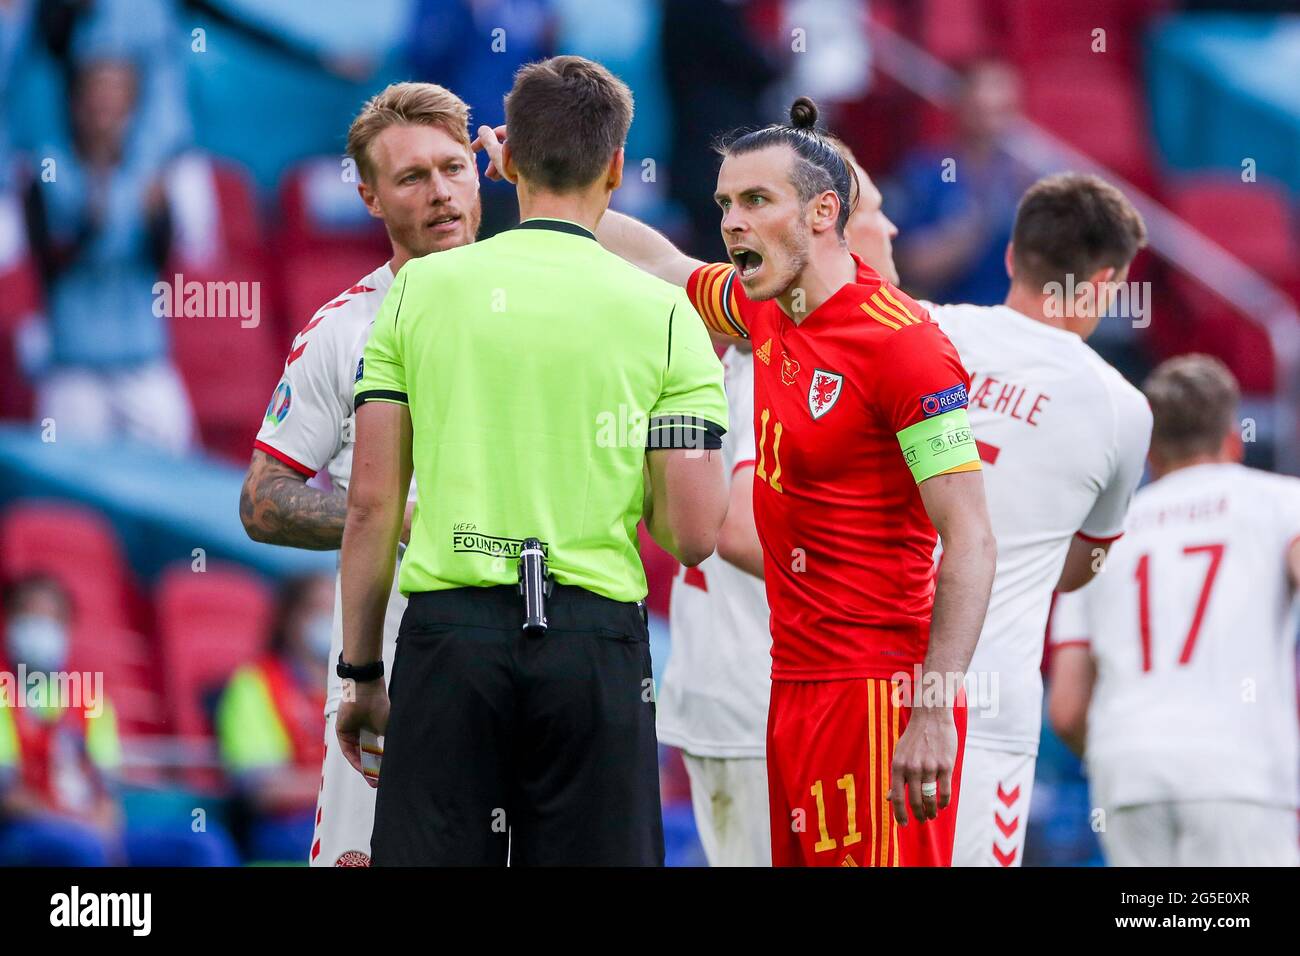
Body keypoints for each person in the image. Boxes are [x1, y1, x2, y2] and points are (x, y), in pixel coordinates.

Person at [481, 96, 998, 866]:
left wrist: (930, 710)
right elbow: (663, 265)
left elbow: (972, 538)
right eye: (726, 203)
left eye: (756, 200)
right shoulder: (771, 314)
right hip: (789, 685)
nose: (732, 222)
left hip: (875, 691)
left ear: (823, 212)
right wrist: (538, 183)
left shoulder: (906, 347)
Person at [339, 55, 730, 866]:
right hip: (594, 648)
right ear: (617, 166)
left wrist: (363, 672)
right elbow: (692, 534)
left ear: (505, 158)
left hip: (450, 645)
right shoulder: (669, 317)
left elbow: (371, 505)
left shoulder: (421, 290)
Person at [239, 81, 482, 866]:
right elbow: (261, 500)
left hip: (526, 671)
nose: (440, 193)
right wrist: (389, 518)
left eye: (453, 167)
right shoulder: (345, 331)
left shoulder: (542, 306)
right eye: (411, 177)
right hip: (384, 682)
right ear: (370, 197)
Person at [656, 154, 901, 867]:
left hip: (744, 692)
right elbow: (737, 530)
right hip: (758, 700)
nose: (888, 227)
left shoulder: (790, 344)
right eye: (872, 211)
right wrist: (870, 594)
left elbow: (661, 261)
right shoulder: (783, 360)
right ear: (828, 227)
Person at [922, 173, 1153, 868]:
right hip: (984, 704)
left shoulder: (923, 330)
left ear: (1010, 255)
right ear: (1104, 283)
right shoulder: (1121, 408)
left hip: (871, 684)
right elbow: (1082, 567)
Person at [1048, 355, 1300, 867]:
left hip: (1127, 772)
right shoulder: (1281, 502)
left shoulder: (1100, 540)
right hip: (1240, 771)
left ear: (1151, 454)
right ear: (1234, 438)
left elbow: (1067, 709)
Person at [23, 58, 194, 451]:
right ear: (76, 103)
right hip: (74, 364)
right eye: (96, 97)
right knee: (66, 472)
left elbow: (162, 260)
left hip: (142, 360)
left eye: (117, 98)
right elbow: (48, 263)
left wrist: (158, 217)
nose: (105, 111)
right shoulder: (48, 173)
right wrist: (89, 218)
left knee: (173, 454)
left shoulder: (149, 176)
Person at [888, 59, 1034, 307]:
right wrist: (976, 227)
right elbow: (910, 265)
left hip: (1013, 317)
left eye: (1002, 109)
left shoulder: (1029, 177)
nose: (992, 121)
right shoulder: (926, 172)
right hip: (947, 317)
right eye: (982, 109)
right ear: (959, 105)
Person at [215, 574, 333, 863]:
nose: (331, 620)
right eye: (318, 609)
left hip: (339, 816)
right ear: (288, 618)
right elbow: (265, 791)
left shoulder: (356, 689)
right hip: (284, 827)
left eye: (337, 610)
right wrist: (345, 787)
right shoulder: (255, 684)